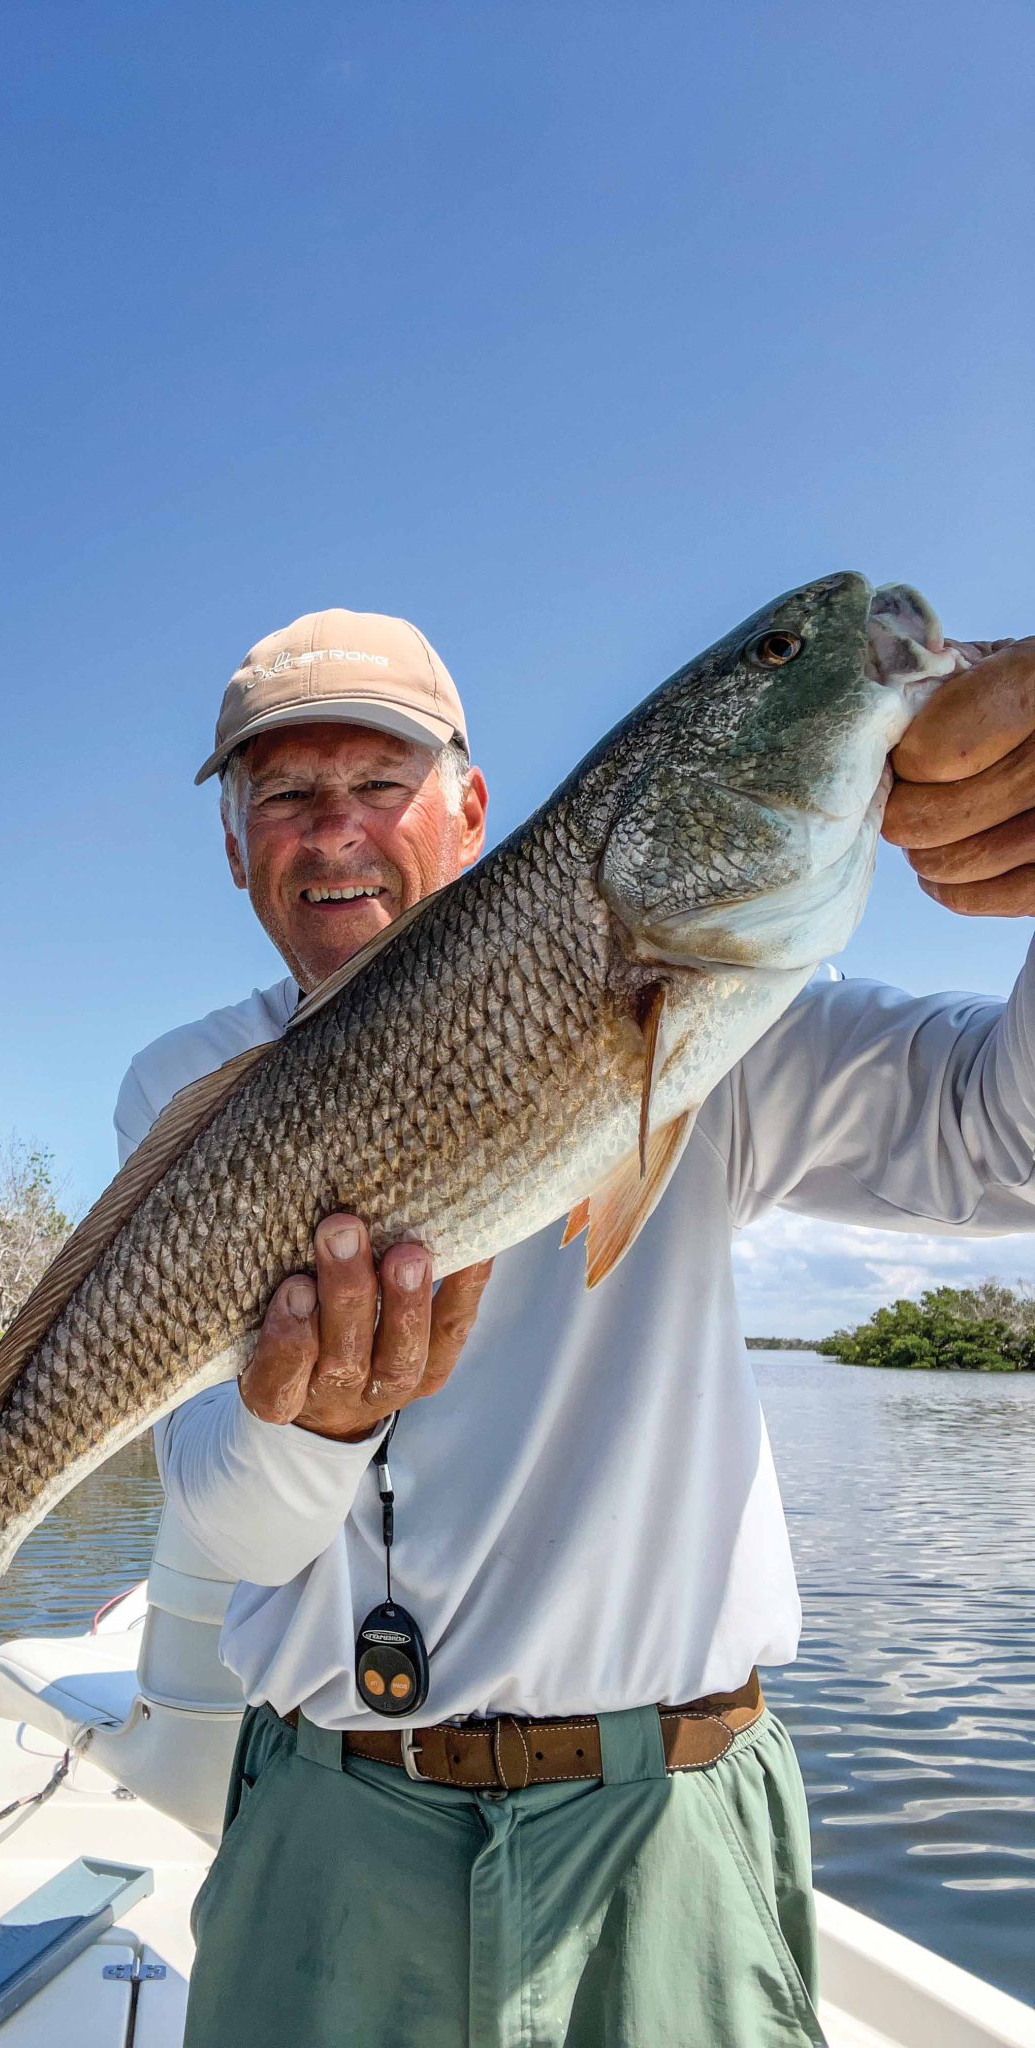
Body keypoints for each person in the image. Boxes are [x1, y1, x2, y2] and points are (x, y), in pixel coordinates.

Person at [113, 605, 1035, 2048]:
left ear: (472, 810)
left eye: (380, 782)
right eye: (284, 792)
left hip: (665, 1817)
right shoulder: (191, 1088)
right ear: (237, 843)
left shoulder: (730, 1008)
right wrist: (329, 1423)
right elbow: (226, 1539)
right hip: (327, 1828)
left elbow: (1009, 1139)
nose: (333, 830)